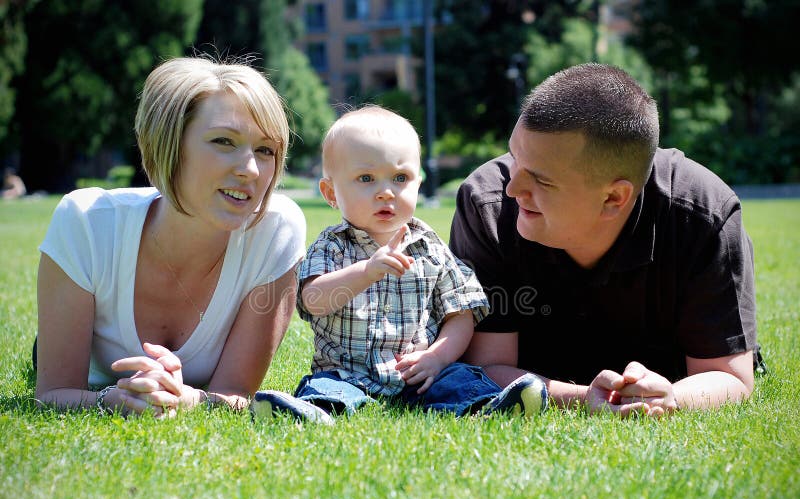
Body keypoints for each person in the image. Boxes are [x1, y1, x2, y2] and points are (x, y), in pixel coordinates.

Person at [450, 63, 758, 417]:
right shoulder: (487, 206)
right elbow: (485, 368)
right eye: (515, 157)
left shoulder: (702, 214)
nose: (512, 187)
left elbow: (727, 375)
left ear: (614, 198)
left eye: (541, 180)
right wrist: (586, 399)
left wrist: (667, 398)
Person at [35, 56, 306, 417]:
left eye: (265, 150)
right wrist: (111, 401)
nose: (250, 170)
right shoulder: (87, 223)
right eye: (224, 141)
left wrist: (189, 399)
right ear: (168, 144)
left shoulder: (276, 230)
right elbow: (52, 394)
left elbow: (235, 392)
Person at [250, 106, 547, 424]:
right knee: (326, 388)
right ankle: (311, 412)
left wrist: (437, 357)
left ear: (418, 183)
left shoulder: (430, 246)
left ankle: (492, 407)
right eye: (366, 178)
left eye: (400, 178)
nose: (386, 192)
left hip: (419, 374)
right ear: (330, 192)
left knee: (459, 380)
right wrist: (365, 272)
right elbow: (313, 300)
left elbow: (461, 312)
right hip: (347, 372)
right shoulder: (332, 244)